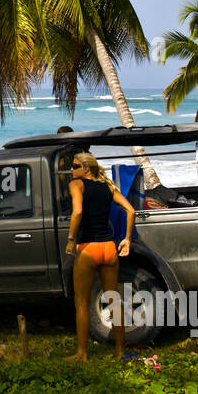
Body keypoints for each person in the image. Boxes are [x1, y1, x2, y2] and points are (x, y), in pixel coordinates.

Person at [65, 151, 136, 361]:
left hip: (88, 248)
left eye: (75, 165)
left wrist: (71, 239)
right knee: (114, 300)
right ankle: (120, 351)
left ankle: (82, 353)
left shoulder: (77, 185)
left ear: (86, 168)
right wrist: (127, 239)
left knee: (81, 303)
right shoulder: (108, 186)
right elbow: (130, 211)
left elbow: (77, 212)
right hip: (108, 247)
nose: (71, 169)